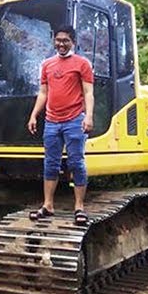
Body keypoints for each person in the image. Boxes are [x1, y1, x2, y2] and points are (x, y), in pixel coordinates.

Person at [26, 24, 95, 226]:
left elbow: (89, 92)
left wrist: (88, 116)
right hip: (51, 121)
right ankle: (48, 205)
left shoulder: (82, 64)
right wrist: (33, 115)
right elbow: (43, 93)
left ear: (72, 42)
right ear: (54, 41)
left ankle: (79, 207)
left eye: (65, 40)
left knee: (76, 162)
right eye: (58, 40)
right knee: (51, 163)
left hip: (74, 120)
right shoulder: (47, 65)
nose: (61, 44)